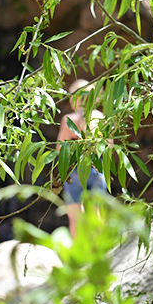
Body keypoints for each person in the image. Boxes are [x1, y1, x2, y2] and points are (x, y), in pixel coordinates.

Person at [57, 79, 109, 237]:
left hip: (74, 170)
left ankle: (79, 255)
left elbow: (60, 148)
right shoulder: (100, 117)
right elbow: (110, 147)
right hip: (96, 168)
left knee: (75, 215)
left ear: (73, 99)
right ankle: (101, 249)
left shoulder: (69, 120)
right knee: (97, 211)